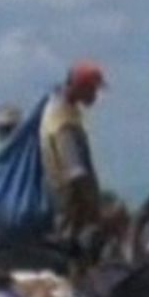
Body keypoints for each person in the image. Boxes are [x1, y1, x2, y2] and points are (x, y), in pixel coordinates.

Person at [39, 61, 107, 249]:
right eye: (92, 90)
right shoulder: (63, 123)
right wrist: (96, 209)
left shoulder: (62, 109)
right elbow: (76, 172)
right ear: (81, 88)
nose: (95, 95)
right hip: (72, 210)